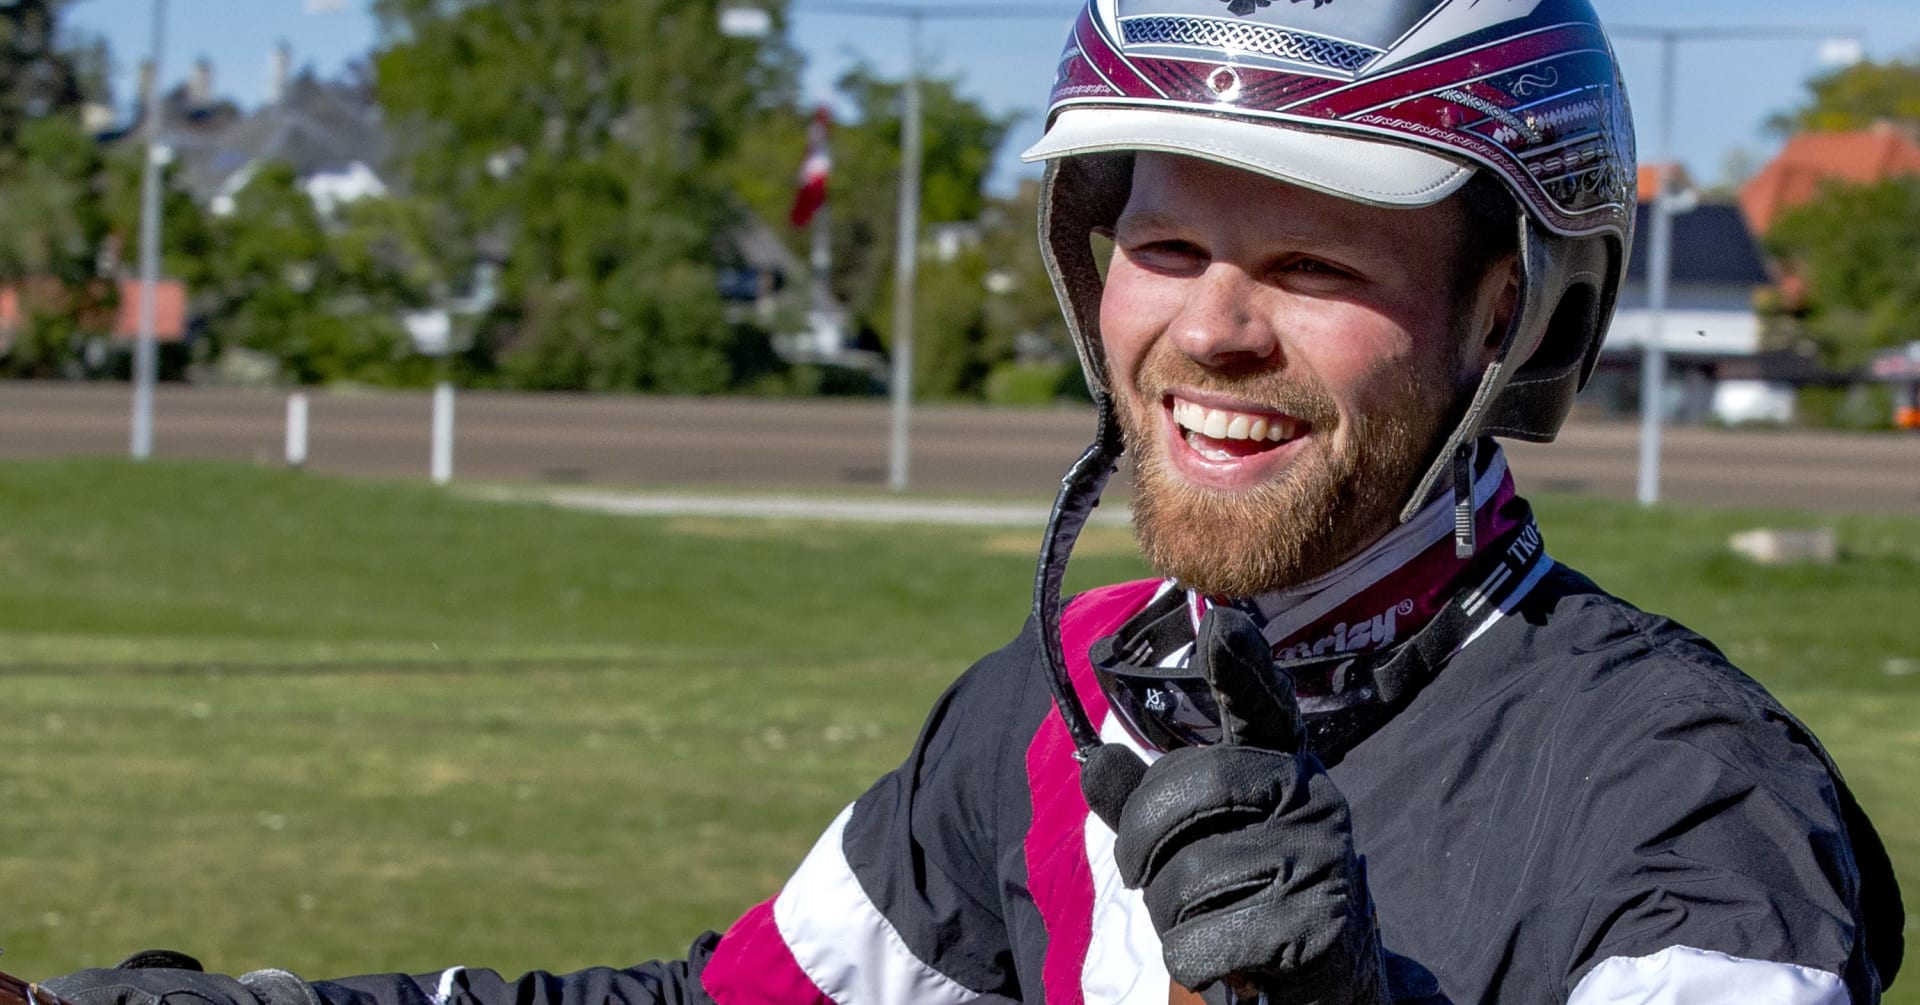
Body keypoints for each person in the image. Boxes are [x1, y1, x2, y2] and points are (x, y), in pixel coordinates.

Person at [41, 0, 1904, 1003]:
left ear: (1513, 311)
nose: (1214, 330)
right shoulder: (1067, 695)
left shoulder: (1689, 804)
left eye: (1321, 262)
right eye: (1168, 241)